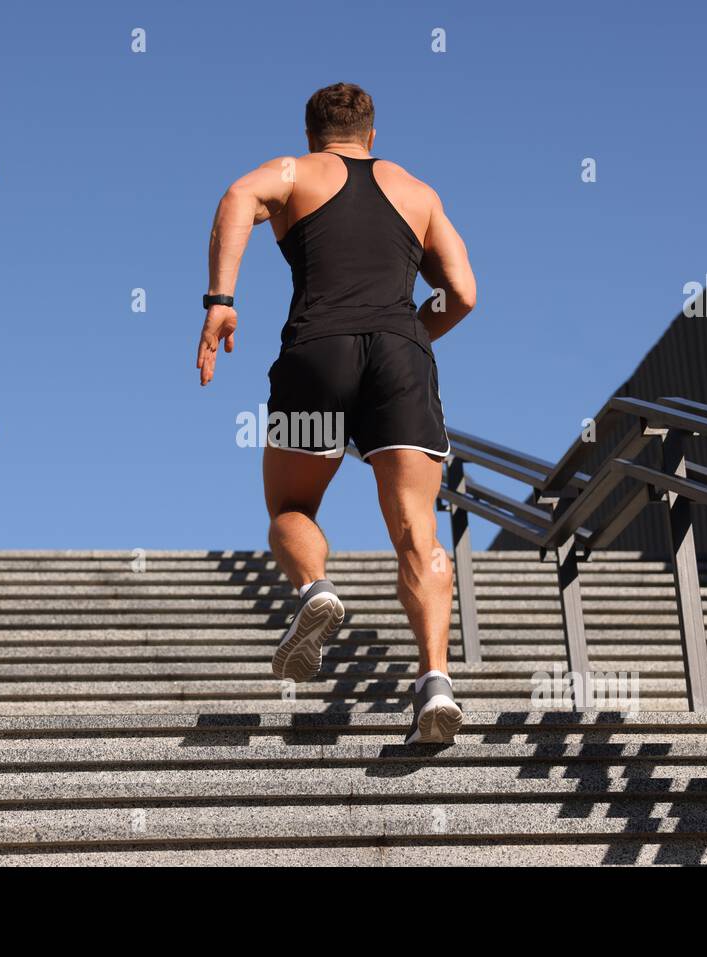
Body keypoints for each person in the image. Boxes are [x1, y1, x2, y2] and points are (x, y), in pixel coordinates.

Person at [196, 82, 477, 743]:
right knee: (418, 534)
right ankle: (434, 679)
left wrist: (220, 297)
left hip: (318, 351)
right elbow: (462, 292)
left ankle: (315, 588)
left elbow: (239, 195)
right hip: (402, 360)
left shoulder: (297, 172)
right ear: (371, 136)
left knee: (291, 510)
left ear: (310, 134)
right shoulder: (418, 191)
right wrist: (405, 337)